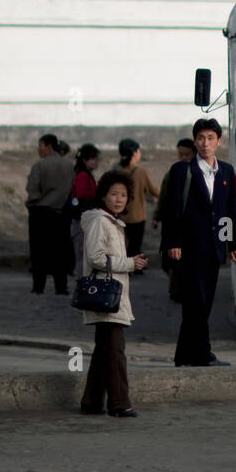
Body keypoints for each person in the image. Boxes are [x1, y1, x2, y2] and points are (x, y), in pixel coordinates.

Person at [162, 119, 236, 367]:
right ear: (195, 140)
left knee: (203, 302)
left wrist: (233, 244)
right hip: (188, 247)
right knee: (196, 301)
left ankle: (184, 354)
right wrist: (173, 242)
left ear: (219, 141)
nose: (205, 143)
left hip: (215, 247)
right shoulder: (181, 170)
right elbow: (171, 210)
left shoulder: (226, 171)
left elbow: (230, 210)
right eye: (200, 138)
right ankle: (202, 353)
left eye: (210, 138)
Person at [79, 171, 148, 417]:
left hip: (111, 296)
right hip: (106, 297)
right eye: (114, 194)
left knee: (103, 351)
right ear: (104, 196)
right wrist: (130, 263)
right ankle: (119, 403)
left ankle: (91, 402)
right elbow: (96, 258)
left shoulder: (111, 221)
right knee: (115, 352)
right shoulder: (100, 221)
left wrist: (130, 263)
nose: (119, 199)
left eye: (123, 195)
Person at [26, 132, 75, 294]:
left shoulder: (40, 166)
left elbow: (32, 190)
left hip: (42, 213)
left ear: (48, 146)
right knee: (60, 252)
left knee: (39, 252)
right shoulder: (69, 166)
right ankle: (61, 287)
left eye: (41, 145)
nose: (38, 149)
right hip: (62, 214)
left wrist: (32, 205)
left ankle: (38, 287)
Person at [153, 137, 196, 301]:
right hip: (172, 223)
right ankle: (176, 288)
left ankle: (180, 289)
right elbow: (163, 197)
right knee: (172, 260)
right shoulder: (172, 172)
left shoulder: (199, 172)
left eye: (187, 154)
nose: (184, 158)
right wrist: (157, 217)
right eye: (181, 154)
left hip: (190, 225)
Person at [115, 138, 162, 269]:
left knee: (122, 245)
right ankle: (136, 267)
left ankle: (125, 267)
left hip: (119, 215)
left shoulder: (116, 171)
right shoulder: (141, 172)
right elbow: (154, 191)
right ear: (135, 153)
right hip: (137, 216)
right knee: (135, 245)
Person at [68, 144, 101, 280]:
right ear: (84, 160)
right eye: (93, 159)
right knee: (83, 255)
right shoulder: (83, 176)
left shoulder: (86, 175)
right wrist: (96, 194)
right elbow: (81, 194)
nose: (96, 162)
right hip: (82, 221)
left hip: (84, 219)